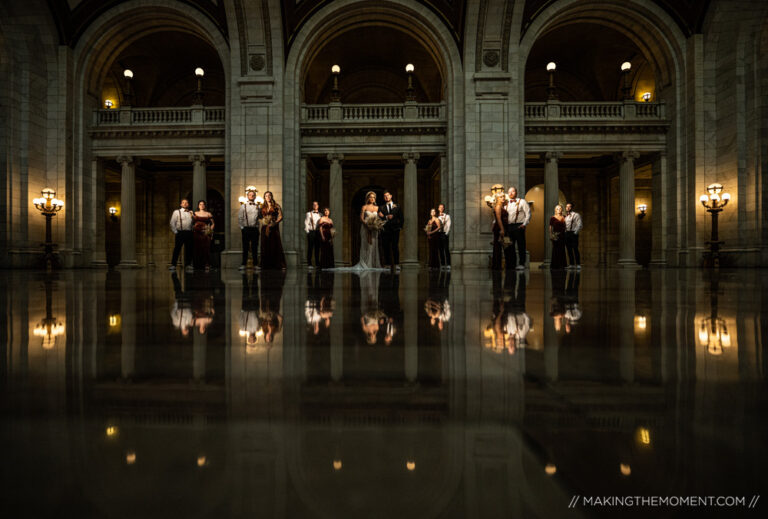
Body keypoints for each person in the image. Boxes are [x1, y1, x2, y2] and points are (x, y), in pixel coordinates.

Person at [505, 187, 531, 270]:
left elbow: (528, 213)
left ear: (516, 192)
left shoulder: (522, 201)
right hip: (509, 227)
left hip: (519, 226)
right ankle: (512, 264)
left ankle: (521, 263)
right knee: (510, 246)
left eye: (513, 191)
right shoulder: (505, 203)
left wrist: (524, 224)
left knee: (521, 246)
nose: (511, 193)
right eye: (509, 192)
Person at [259, 191, 286, 270]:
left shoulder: (276, 206)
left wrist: (275, 223)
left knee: (274, 244)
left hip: (274, 227)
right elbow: (260, 217)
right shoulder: (262, 207)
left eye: (269, 195)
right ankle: (265, 264)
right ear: (264, 197)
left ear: (272, 196)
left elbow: (280, 216)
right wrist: (263, 221)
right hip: (264, 228)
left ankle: (276, 264)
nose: (268, 197)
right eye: (266, 196)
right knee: (265, 244)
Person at [378, 191, 403, 270]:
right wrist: (386, 217)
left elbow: (401, 218)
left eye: (387, 195)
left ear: (391, 196)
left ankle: (396, 264)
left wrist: (400, 227)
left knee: (395, 246)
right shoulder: (381, 207)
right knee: (386, 247)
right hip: (385, 230)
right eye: (384, 196)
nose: (386, 197)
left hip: (395, 229)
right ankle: (387, 264)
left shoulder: (397, 206)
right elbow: (380, 218)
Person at [238, 189, 261, 271]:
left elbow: (259, 218)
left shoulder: (258, 206)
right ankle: (243, 264)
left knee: (255, 247)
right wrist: (242, 228)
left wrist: (258, 227)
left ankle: (255, 264)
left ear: (255, 196)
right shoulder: (243, 206)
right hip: (246, 229)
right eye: (250, 195)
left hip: (255, 229)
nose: (252, 196)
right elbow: (240, 218)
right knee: (245, 247)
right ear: (247, 196)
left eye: (253, 195)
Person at [169, 199, 194, 272]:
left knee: (189, 249)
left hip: (189, 233)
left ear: (188, 204)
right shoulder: (177, 212)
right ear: (181, 204)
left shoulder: (190, 212)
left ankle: (188, 264)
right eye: (183, 202)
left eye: (186, 202)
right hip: (180, 232)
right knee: (177, 249)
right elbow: (172, 223)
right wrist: (176, 232)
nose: (185, 204)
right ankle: (173, 265)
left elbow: (192, 223)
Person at [192, 200, 214, 271]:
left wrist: (209, 230)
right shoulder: (195, 213)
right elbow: (191, 223)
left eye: (203, 204)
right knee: (197, 248)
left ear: (205, 206)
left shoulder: (208, 214)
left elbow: (213, 223)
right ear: (198, 206)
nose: (201, 205)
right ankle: (197, 265)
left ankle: (206, 264)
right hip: (196, 233)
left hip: (205, 233)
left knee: (206, 248)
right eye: (200, 204)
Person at [491, 190, 508, 270]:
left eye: (503, 196)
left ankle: (498, 265)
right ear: (497, 198)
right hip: (499, 228)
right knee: (497, 247)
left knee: (500, 246)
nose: (503, 198)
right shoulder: (498, 206)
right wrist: (502, 229)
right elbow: (498, 219)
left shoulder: (501, 206)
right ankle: (496, 266)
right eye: (501, 197)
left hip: (502, 227)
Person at [564, 202, 583, 270]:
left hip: (573, 233)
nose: (568, 208)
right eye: (567, 206)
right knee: (569, 250)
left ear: (572, 207)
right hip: (567, 233)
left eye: (569, 206)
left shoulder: (576, 215)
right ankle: (571, 264)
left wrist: (575, 233)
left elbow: (580, 224)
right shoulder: (566, 216)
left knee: (575, 249)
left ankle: (578, 264)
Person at [549, 204, 567, 269]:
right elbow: (550, 227)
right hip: (555, 235)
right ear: (555, 210)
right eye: (557, 209)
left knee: (562, 249)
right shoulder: (552, 218)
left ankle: (562, 264)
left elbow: (566, 226)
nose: (558, 210)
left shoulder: (564, 217)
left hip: (563, 235)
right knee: (555, 249)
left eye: (560, 208)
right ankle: (555, 265)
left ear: (562, 209)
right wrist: (551, 235)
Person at [304, 200, 322, 268]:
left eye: (316, 205)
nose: (315, 206)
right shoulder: (308, 214)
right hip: (311, 232)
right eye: (314, 205)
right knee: (310, 248)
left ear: (318, 206)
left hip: (318, 233)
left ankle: (317, 263)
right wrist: (308, 232)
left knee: (317, 248)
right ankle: (309, 264)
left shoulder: (321, 214)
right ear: (312, 206)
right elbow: (306, 223)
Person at [436, 203, 451, 270]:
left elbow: (448, 225)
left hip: (444, 234)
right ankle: (442, 264)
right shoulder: (436, 217)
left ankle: (448, 264)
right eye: (440, 207)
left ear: (443, 208)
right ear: (438, 208)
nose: (441, 208)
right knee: (440, 249)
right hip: (439, 234)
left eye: (442, 207)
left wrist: (446, 233)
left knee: (446, 249)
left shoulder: (447, 216)